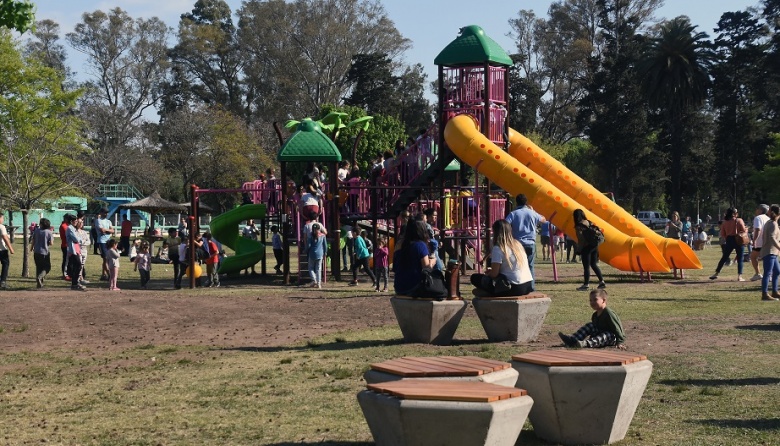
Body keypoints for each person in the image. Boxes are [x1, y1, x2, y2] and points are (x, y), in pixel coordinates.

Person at [470, 219, 534, 297]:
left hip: (512, 287)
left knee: (475, 278)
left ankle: (491, 293)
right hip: (527, 285)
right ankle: (491, 292)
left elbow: (494, 274)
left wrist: (489, 273)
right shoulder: (518, 245)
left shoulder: (499, 248)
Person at [558, 289, 626, 349]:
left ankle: (584, 344)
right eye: (590, 300)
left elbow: (617, 328)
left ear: (604, 300)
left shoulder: (608, 313)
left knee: (606, 334)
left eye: (595, 299)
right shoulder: (595, 315)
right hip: (599, 335)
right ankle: (572, 340)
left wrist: (619, 342)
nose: (592, 302)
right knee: (590, 325)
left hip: (611, 337)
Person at [505, 194, 546, 289]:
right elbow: (543, 219)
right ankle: (531, 287)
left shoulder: (513, 214)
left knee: (518, 266)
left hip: (517, 244)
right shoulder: (532, 213)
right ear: (526, 202)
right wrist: (533, 211)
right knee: (530, 266)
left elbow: (505, 224)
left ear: (516, 202)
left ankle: (518, 286)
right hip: (530, 243)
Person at [393, 220, 437, 295]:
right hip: (414, 287)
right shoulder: (420, 245)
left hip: (399, 287)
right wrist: (432, 262)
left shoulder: (399, 244)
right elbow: (426, 269)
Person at [710, 208, 748, 282]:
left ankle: (716, 273)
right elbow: (743, 230)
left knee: (724, 257)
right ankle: (739, 276)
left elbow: (723, 234)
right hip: (738, 240)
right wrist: (746, 230)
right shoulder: (739, 220)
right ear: (734, 213)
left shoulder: (724, 222)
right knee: (740, 258)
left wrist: (728, 237)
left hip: (729, 240)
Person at [573, 208, 606, 291]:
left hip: (586, 247)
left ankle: (586, 284)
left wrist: (579, 250)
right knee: (594, 264)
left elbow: (581, 239)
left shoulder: (579, 226)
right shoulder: (589, 222)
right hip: (594, 245)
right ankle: (601, 281)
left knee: (586, 266)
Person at [759, 204, 780, 301]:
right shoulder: (773, 224)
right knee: (768, 273)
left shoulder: (769, 222)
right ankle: (765, 294)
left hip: (773, 252)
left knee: (777, 271)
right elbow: (772, 237)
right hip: (770, 251)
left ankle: (775, 291)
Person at [31, 218, 54, 288]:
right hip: (44, 252)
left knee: (39, 267)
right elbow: (51, 243)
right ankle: (40, 277)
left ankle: (39, 283)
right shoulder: (49, 232)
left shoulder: (37, 231)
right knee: (47, 267)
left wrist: (31, 248)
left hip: (36, 251)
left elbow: (33, 240)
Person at [750, 204, 771, 281]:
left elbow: (758, 229)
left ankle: (758, 273)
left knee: (753, 257)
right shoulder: (768, 218)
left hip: (759, 242)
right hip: (768, 241)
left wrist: (754, 240)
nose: (756, 210)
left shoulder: (758, 218)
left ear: (760, 210)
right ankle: (767, 274)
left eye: (757, 209)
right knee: (767, 258)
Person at [65, 214, 85, 291]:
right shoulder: (70, 228)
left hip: (76, 248)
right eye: (75, 221)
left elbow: (77, 238)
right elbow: (76, 238)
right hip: (73, 249)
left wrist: (79, 239)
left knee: (77, 266)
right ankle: (74, 283)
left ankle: (75, 283)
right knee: (78, 265)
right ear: (71, 221)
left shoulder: (73, 228)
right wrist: (81, 240)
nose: (77, 222)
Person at [306, 223, 326, 289]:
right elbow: (325, 245)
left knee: (310, 268)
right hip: (320, 254)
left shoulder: (310, 236)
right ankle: (319, 283)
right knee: (318, 269)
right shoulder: (323, 236)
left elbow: (308, 246)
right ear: (319, 229)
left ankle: (314, 279)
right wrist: (325, 252)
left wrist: (305, 250)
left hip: (312, 254)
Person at [96, 207, 114, 281]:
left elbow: (112, 230)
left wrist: (107, 230)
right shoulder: (98, 221)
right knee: (105, 258)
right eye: (105, 212)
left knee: (106, 259)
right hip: (102, 241)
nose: (106, 214)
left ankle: (103, 274)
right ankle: (110, 275)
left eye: (107, 212)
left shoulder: (108, 221)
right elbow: (101, 230)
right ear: (101, 213)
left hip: (108, 241)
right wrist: (108, 230)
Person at [0, 212, 14, 289]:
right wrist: (11, 248)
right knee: (5, 264)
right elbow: (5, 238)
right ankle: (3, 282)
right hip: (1, 250)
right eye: (2, 218)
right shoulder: (1, 227)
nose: (3, 219)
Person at [59, 214, 70, 280]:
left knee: (69, 260)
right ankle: (65, 274)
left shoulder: (67, 226)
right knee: (66, 260)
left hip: (68, 245)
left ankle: (68, 273)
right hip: (65, 245)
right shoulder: (64, 226)